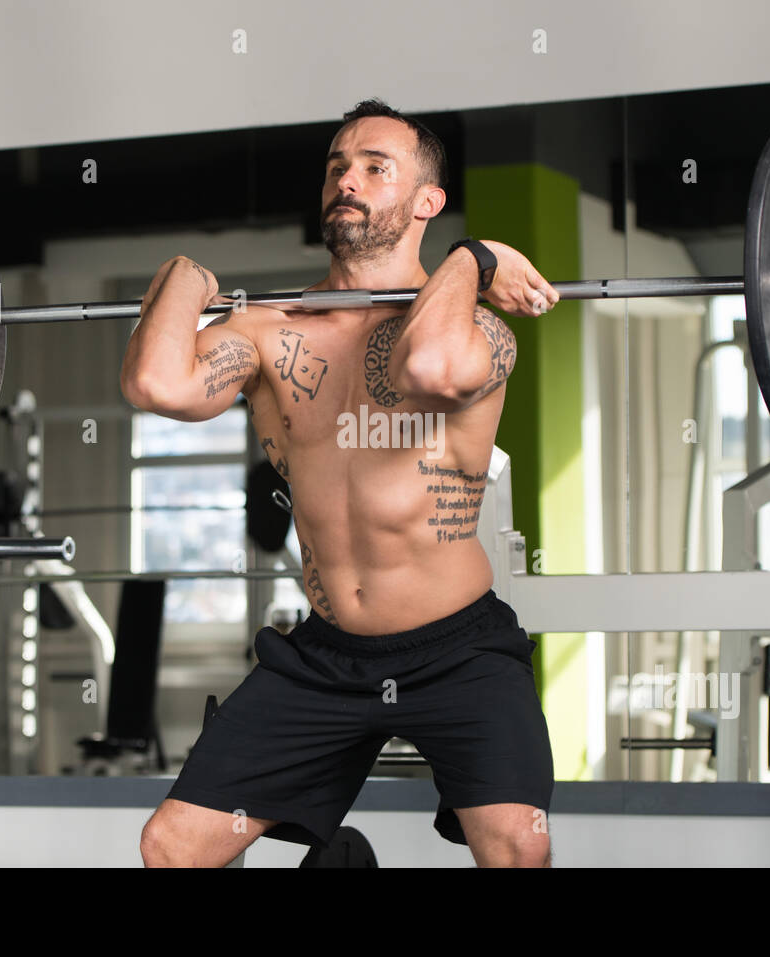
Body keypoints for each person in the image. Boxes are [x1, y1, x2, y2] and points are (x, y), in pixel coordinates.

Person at [123, 99, 560, 867]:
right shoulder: (268, 330)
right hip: (325, 655)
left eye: (373, 167)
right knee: (171, 846)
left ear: (427, 201)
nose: (346, 181)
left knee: (517, 847)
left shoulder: (478, 330)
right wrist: (182, 277)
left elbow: (424, 365)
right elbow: (157, 384)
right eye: (336, 167)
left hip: (458, 648)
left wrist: (472, 260)